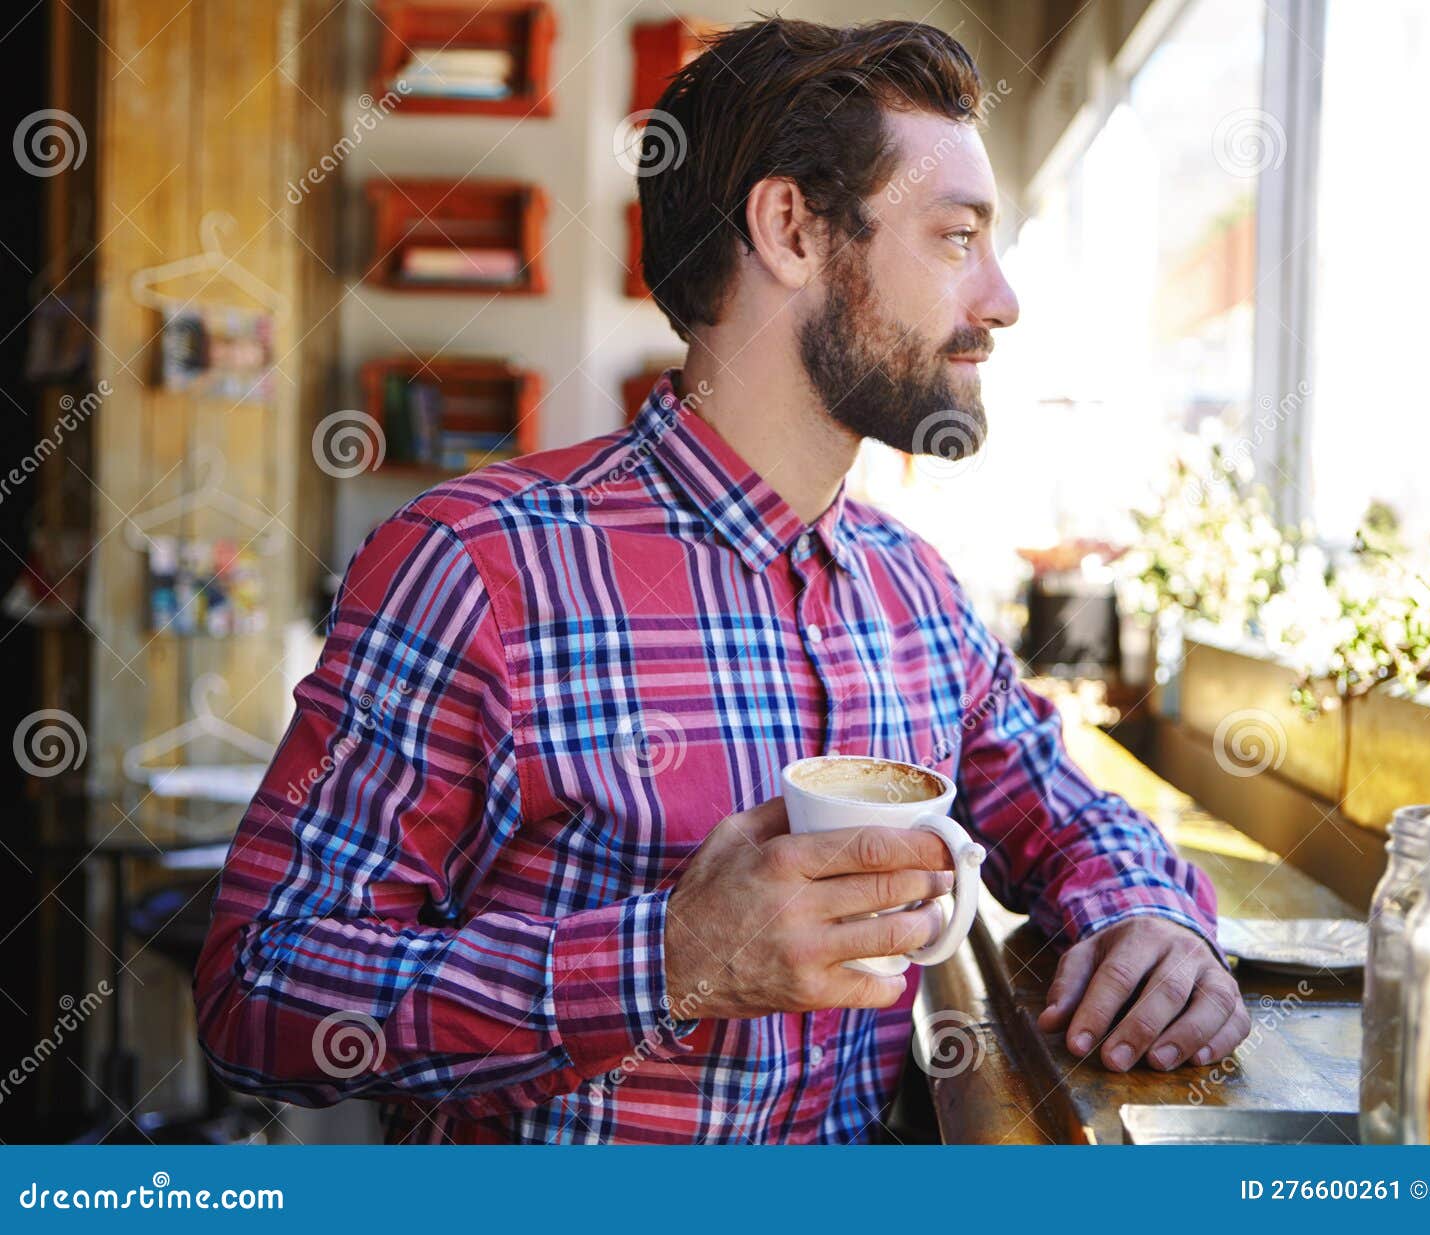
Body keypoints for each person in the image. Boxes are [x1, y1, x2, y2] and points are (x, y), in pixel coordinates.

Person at [195, 17, 1247, 1145]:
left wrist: (1147, 919)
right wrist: (668, 959)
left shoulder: (916, 593)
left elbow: (1072, 812)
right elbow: (262, 991)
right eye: (955, 237)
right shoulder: (476, 567)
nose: (999, 298)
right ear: (790, 228)